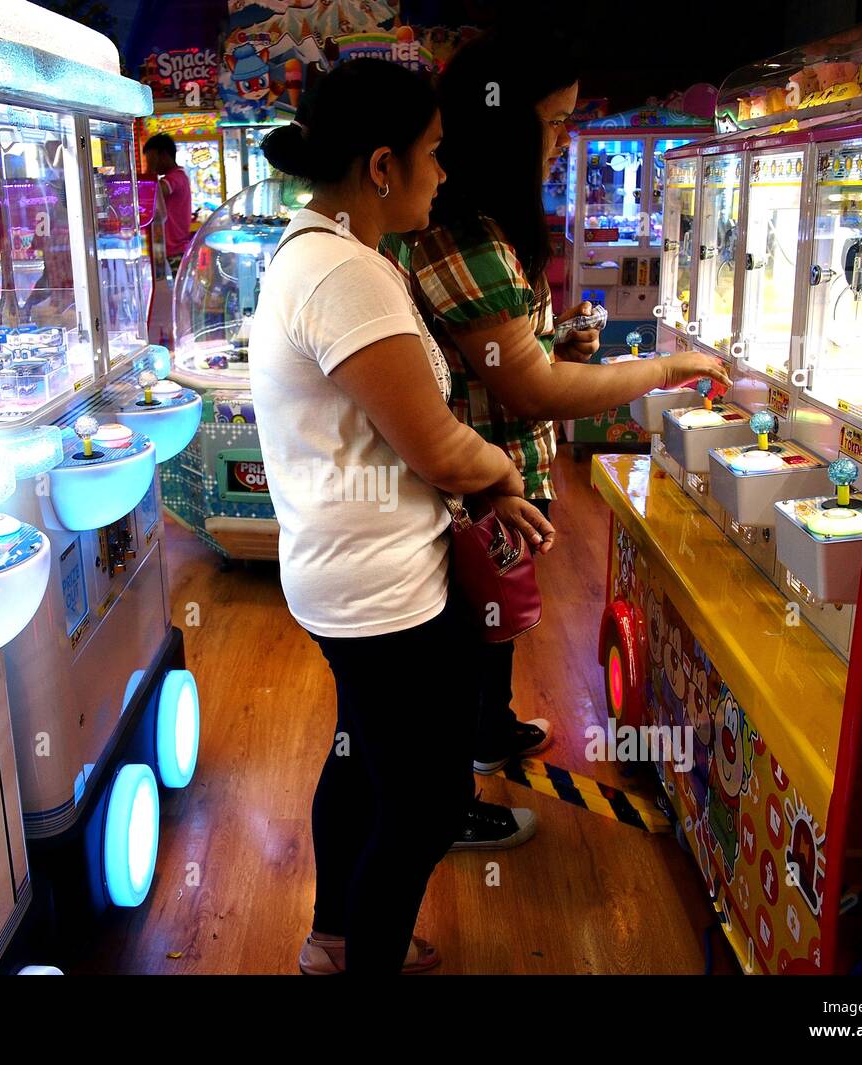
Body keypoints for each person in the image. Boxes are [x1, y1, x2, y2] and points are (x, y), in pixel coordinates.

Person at [383, 27, 729, 848]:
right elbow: (529, 385)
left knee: (494, 620)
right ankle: (452, 797)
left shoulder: (489, 225)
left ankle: (489, 732)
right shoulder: (464, 235)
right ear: (506, 128)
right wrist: (663, 368)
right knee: (467, 634)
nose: (563, 141)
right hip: (472, 485)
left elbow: (519, 357)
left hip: (496, 480)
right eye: (555, 123)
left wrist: (557, 345)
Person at [250, 58, 554, 974]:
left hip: (346, 571)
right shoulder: (347, 274)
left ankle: (333, 938)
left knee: (360, 757)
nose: (445, 170)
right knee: (422, 805)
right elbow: (436, 444)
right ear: (382, 166)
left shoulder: (326, 255)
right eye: (433, 152)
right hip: (377, 587)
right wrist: (506, 472)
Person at [143, 132, 193, 272]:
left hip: (173, 253)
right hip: (168, 252)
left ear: (163, 155)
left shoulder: (176, 177)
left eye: (151, 159)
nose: (150, 164)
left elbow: (153, 192)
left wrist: (150, 170)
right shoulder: (177, 176)